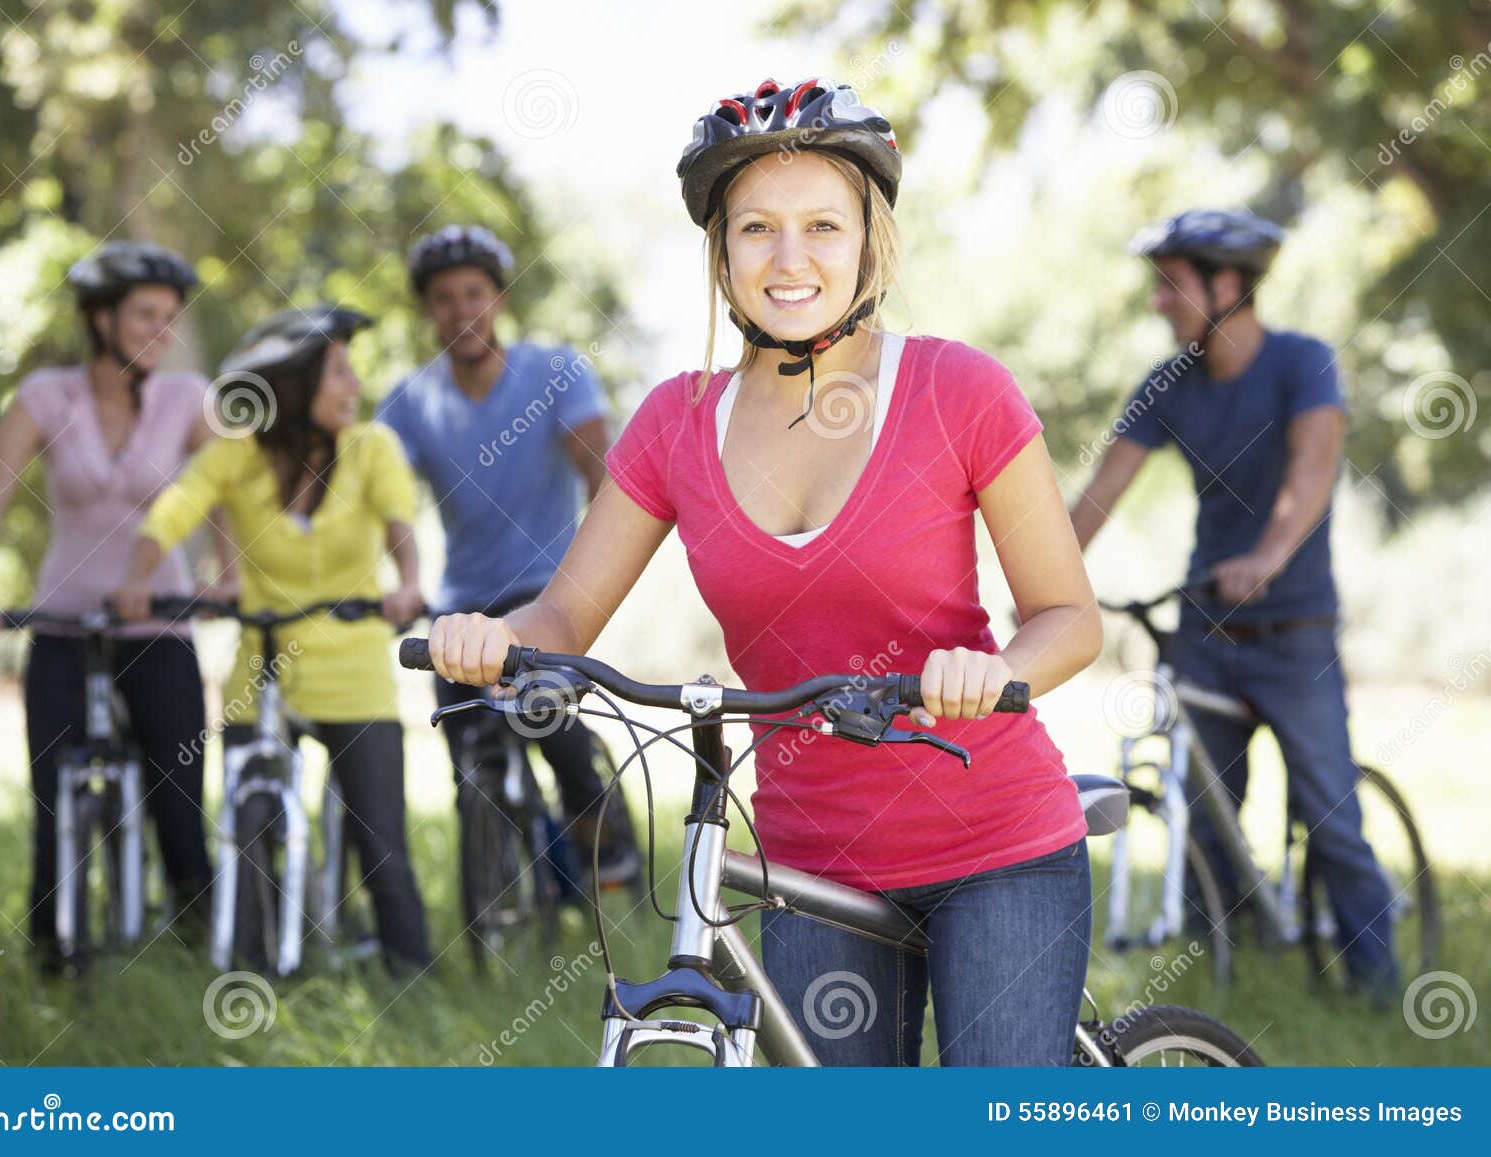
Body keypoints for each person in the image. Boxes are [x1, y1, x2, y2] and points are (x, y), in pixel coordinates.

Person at [427, 78, 1104, 1065]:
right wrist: (495, 638)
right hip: (810, 858)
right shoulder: (674, 423)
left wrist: (990, 672)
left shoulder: (959, 390)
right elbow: (566, 611)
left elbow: (1067, 617)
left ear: (869, 240)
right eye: (757, 229)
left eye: (822, 225)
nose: (790, 260)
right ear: (722, 249)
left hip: (994, 844)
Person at [1069, 208, 1400, 996]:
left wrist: (1267, 557)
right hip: (1206, 625)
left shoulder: (1301, 362)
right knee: (1202, 819)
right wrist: (1041, 585)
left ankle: (1379, 991)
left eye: (1170, 286)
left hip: (1294, 629)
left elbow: (1311, 472)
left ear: (1227, 285)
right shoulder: (1168, 384)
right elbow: (1098, 494)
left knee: (1331, 817)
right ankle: (1224, 980)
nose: (1157, 303)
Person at [112, 304, 434, 972]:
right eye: (338, 372)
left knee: (383, 843)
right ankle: (253, 964)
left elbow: (400, 523)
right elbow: (175, 509)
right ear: (293, 386)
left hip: (355, 666)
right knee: (248, 830)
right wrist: (137, 578)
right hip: (263, 669)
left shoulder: (372, 448)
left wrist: (408, 583)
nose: (352, 387)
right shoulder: (237, 453)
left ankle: (413, 974)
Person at [0, 240, 224, 970]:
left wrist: (230, 574)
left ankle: (201, 949)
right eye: (145, 316)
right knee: (54, 798)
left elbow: (229, 484)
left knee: (179, 796)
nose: (161, 333)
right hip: (63, 621)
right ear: (101, 319)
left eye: (169, 319)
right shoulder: (46, 396)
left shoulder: (187, 397)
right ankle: (54, 959)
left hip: (159, 619)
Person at [380, 224, 639, 884]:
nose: (461, 309)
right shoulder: (410, 402)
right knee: (467, 749)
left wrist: (597, 574)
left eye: (474, 293)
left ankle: (608, 852)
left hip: (545, 591)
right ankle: (503, 878)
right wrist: (401, 576)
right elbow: (383, 501)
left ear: (498, 299)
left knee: (552, 725)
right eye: (443, 298)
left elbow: (598, 472)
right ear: (428, 310)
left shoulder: (556, 372)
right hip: (460, 602)